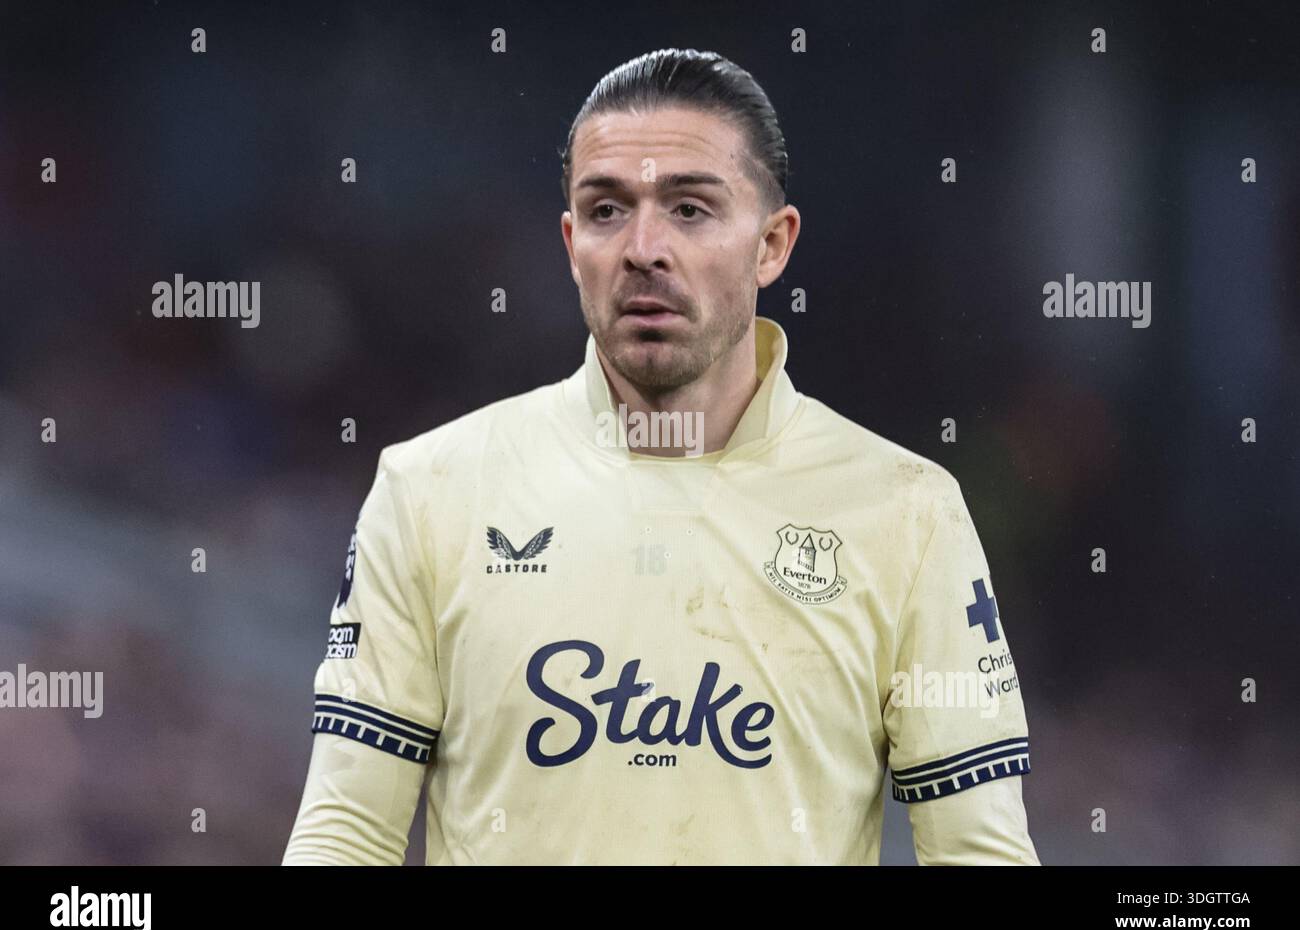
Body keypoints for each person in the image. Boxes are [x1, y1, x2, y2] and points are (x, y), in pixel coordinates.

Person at [283, 48, 1039, 865]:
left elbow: (978, 854)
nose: (643, 246)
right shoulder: (429, 491)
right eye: (607, 210)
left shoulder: (906, 511)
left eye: (689, 208)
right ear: (573, 243)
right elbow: (345, 836)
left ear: (772, 245)